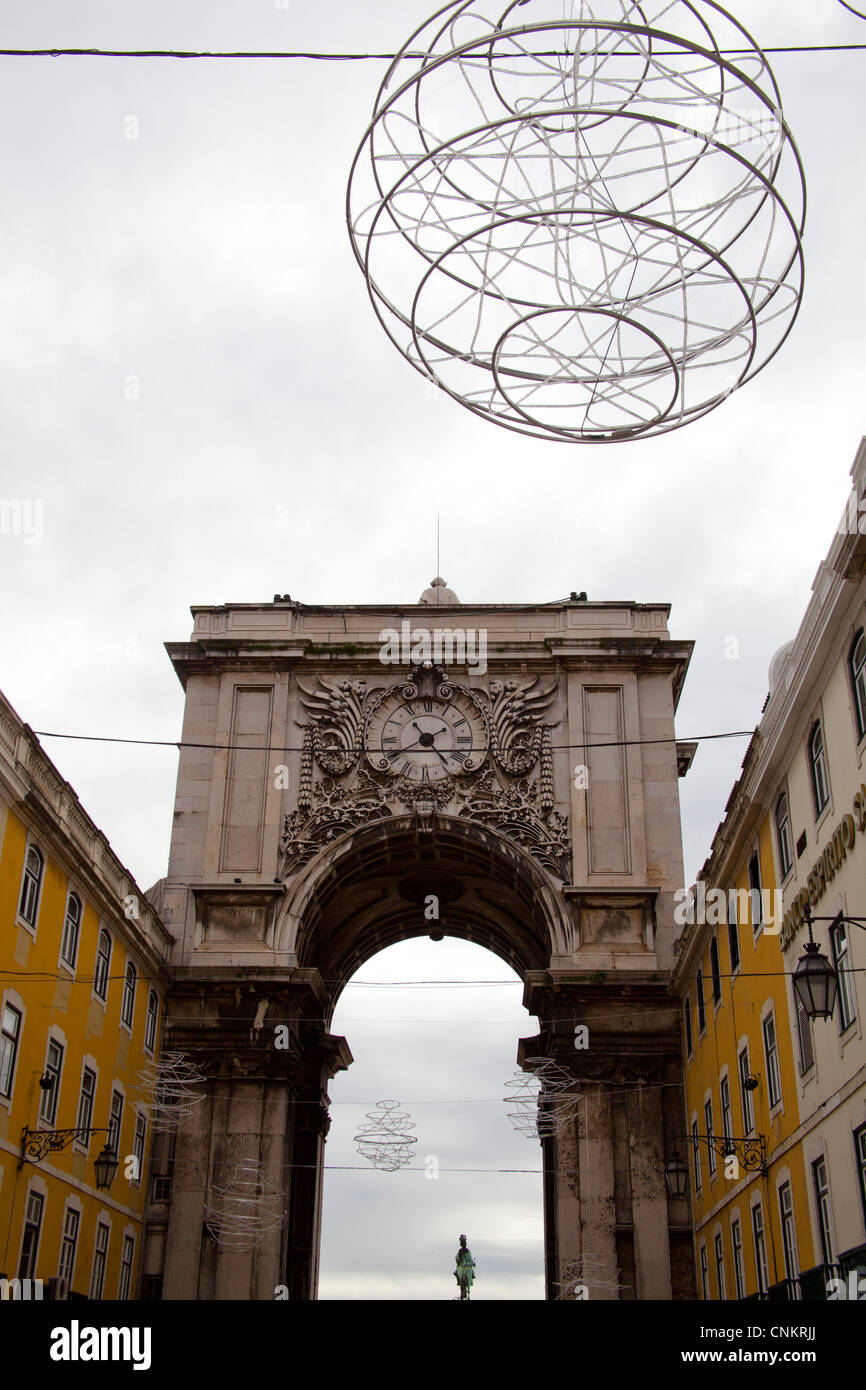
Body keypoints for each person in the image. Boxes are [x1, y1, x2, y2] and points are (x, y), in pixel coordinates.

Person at [454, 1233, 476, 1300]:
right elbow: (457, 1259)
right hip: (462, 1267)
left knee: (471, 1272)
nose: (464, 1244)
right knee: (457, 1272)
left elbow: (470, 1259)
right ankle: (460, 1281)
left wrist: (472, 1263)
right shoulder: (460, 1252)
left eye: (465, 1242)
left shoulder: (468, 1252)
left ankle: (467, 1280)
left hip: (466, 1266)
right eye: (463, 1242)